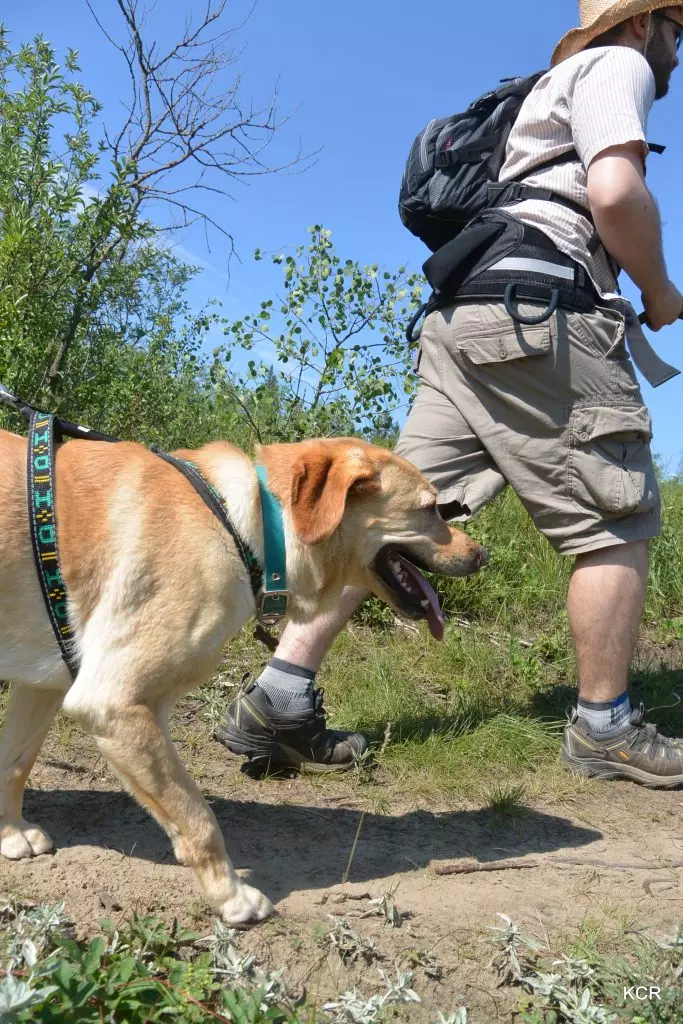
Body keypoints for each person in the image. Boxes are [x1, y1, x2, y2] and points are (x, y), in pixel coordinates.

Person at [215, 0, 683, 787]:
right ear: (642, 24)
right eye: (678, 29)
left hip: (462, 322)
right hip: (538, 321)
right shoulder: (617, 63)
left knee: (386, 518)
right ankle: (604, 726)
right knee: (613, 517)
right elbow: (613, 191)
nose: (678, 48)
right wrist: (660, 289)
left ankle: (278, 697)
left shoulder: (537, 95)